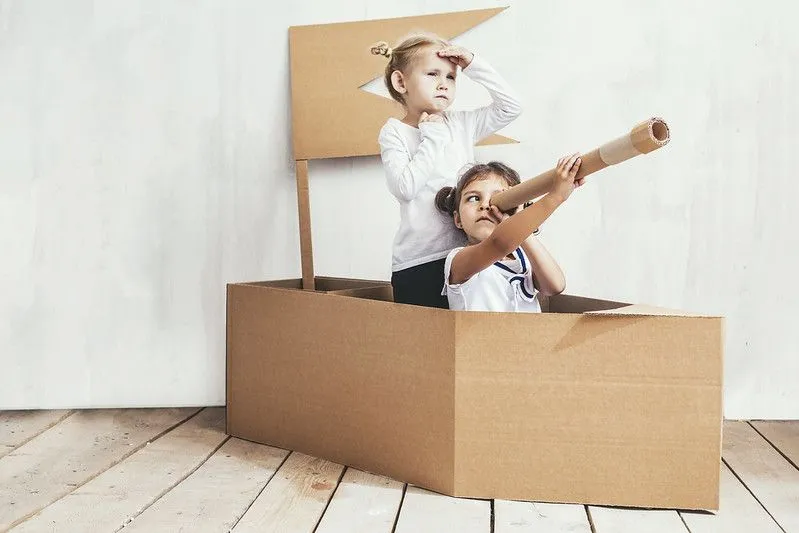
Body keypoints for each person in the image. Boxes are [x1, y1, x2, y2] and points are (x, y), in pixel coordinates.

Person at [371, 34, 522, 308]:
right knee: (425, 343)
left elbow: (512, 107)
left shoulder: (462, 123)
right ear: (400, 82)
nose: (444, 84)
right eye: (432, 74)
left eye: (451, 77)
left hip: (465, 255)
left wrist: (473, 64)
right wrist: (433, 137)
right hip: (419, 262)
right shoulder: (394, 132)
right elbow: (405, 188)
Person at [434, 155, 585, 312]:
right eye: (473, 198)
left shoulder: (525, 259)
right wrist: (556, 196)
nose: (485, 205)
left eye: (497, 199)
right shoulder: (458, 261)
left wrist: (520, 227)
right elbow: (499, 243)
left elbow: (555, 286)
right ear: (458, 219)